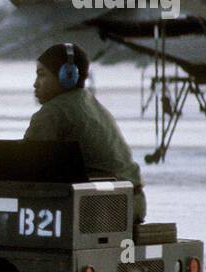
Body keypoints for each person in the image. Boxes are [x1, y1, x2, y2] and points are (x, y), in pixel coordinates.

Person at [25, 42, 147, 222]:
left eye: (41, 75)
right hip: (133, 202)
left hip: (103, 206)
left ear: (67, 76)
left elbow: (24, 167)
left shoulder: (53, 112)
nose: (35, 84)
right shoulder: (90, 103)